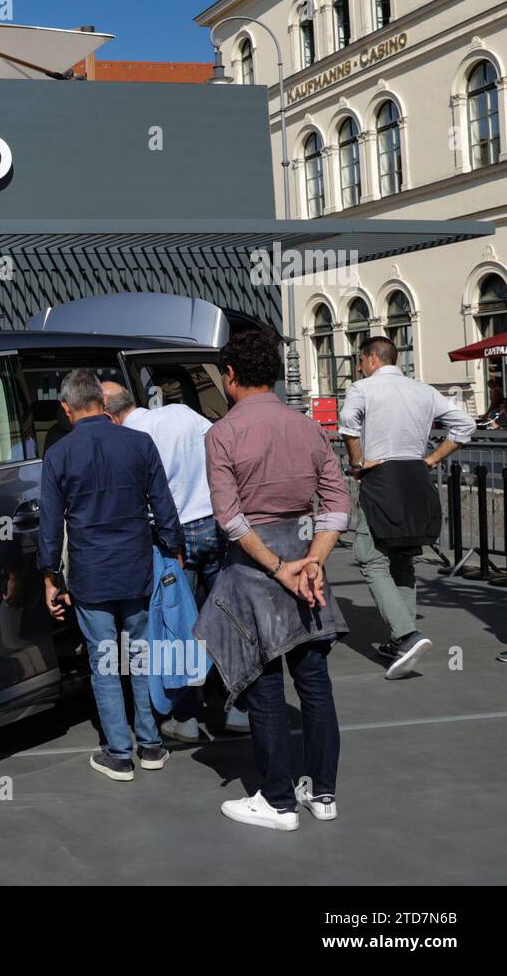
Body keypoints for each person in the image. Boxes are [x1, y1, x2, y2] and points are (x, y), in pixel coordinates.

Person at [196, 329, 351, 832]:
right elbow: (337, 505)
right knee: (315, 684)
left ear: (232, 376)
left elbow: (231, 519)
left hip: (254, 571)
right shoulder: (308, 428)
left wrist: (279, 567)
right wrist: (312, 561)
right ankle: (323, 793)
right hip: (307, 567)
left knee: (263, 686)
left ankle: (279, 801)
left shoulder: (221, 434)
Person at [38, 368, 183, 782]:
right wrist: (173, 550)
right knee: (139, 655)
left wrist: (51, 575)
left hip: (90, 572)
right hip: (137, 567)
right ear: (102, 403)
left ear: (67, 409)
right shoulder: (139, 444)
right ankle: (151, 744)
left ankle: (119, 754)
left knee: (104, 662)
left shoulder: (59, 455)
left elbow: (50, 523)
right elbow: (163, 505)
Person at [101, 380, 248, 740]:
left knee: (177, 628)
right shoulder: (182, 413)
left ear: (109, 416)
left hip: (172, 540)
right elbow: (221, 447)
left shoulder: (127, 442)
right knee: (228, 622)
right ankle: (236, 710)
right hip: (213, 526)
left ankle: (185, 717)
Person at [337, 336, 476, 680]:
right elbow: (466, 426)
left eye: (360, 360)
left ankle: (406, 635)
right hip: (416, 475)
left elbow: (347, 423)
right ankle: (401, 639)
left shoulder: (363, 388)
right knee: (402, 556)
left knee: (370, 556)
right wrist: (430, 459)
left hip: (381, 474)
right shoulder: (424, 390)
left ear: (371, 359)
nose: (359, 367)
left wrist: (358, 463)